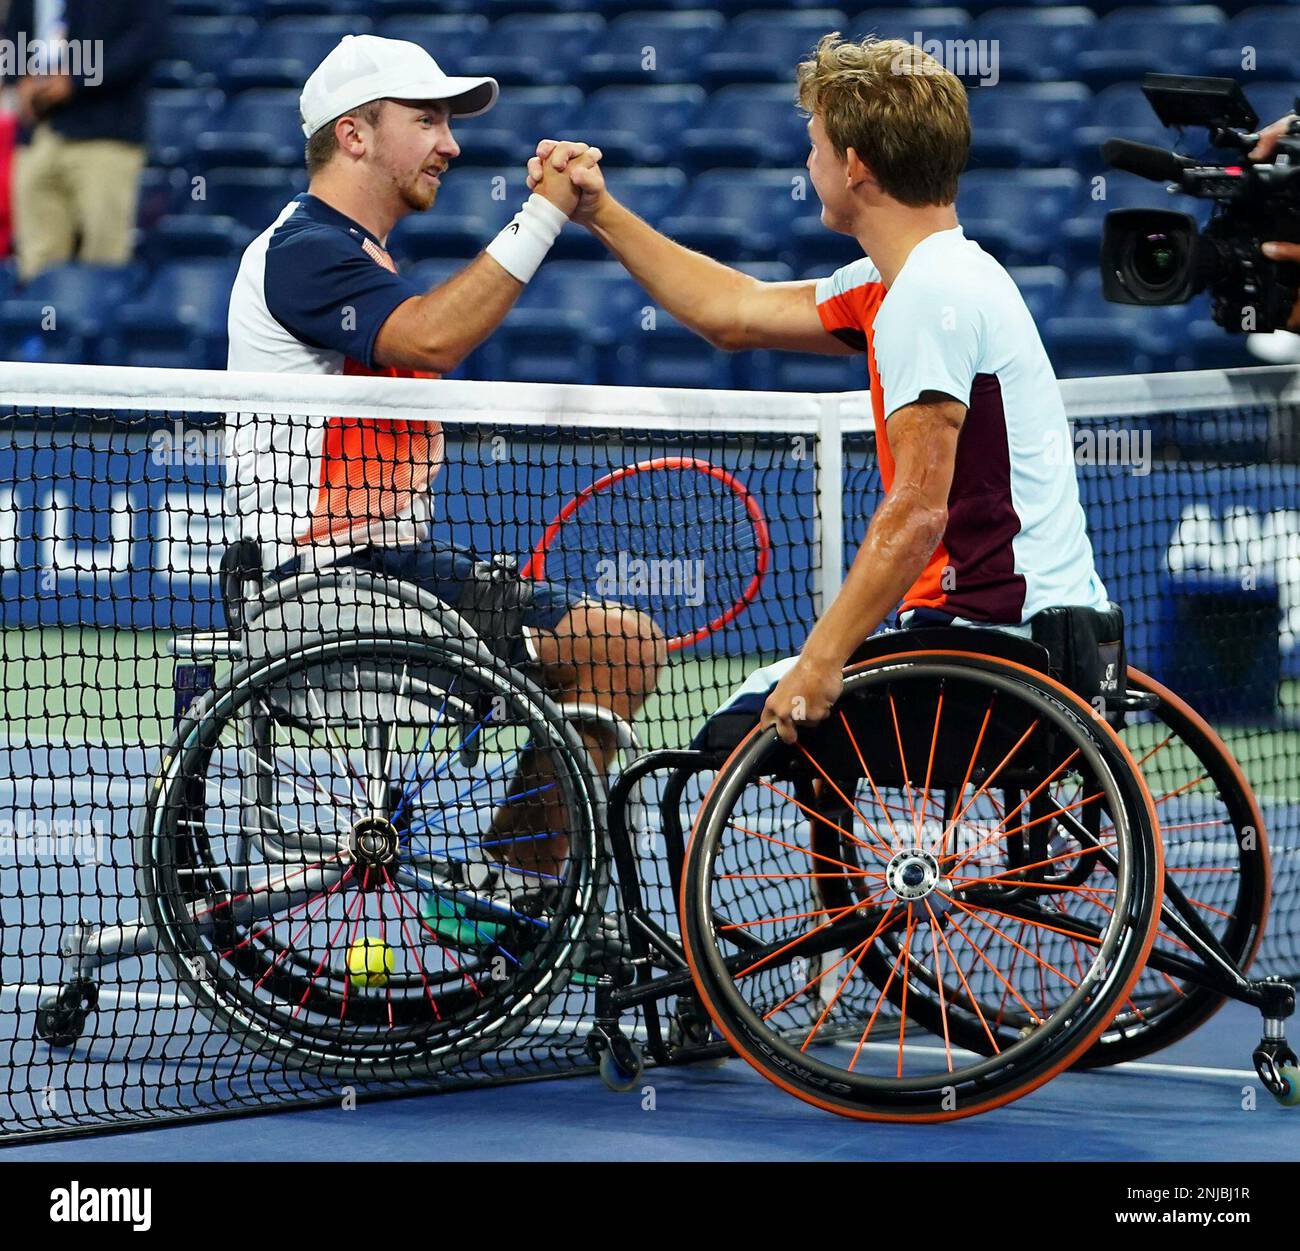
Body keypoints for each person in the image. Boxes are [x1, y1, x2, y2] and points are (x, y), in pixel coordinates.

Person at [529, 33, 1110, 743]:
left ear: (856, 165)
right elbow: (732, 312)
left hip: (988, 645)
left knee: (723, 739)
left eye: (816, 146)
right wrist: (600, 212)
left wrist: (823, 660)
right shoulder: (919, 278)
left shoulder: (928, 296)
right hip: (1055, 636)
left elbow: (918, 512)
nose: (809, 164)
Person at [225, 35, 664, 876]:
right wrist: (544, 215)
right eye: (426, 120)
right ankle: (516, 896)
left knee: (621, 646)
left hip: (375, 575)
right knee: (621, 647)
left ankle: (512, 892)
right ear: (353, 135)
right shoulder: (304, 249)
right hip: (327, 587)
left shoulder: (354, 254)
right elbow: (433, 337)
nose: (452, 145)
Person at [2, 0, 169, 280]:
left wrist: (76, 79)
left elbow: (146, 39)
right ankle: (47, 323)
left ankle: (96, 323)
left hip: (105, 134)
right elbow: (15, 32)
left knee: (105, 260)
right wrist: (19, 80)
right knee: (36, 266)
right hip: (38, 133)